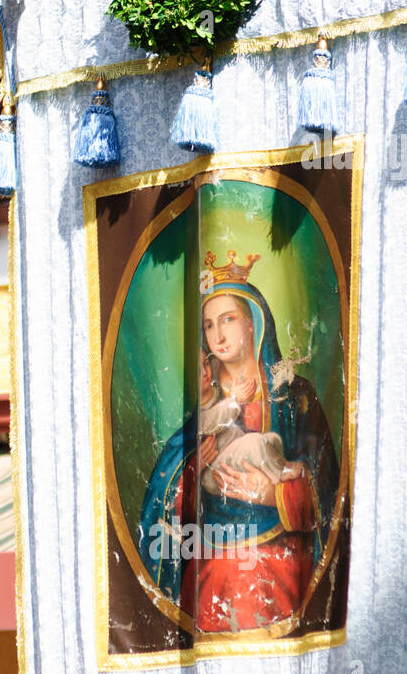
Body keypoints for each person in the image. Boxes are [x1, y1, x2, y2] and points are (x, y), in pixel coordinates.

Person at [138, 250, 339, 633]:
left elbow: (330, 496)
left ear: (253, 323)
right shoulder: (202, 412)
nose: (219, 334)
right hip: (212, 562)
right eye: (209, 325)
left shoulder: (294, 398)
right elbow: (164, 496)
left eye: (228, 319)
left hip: (281, 562)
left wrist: (272, 494)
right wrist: (194, 467)